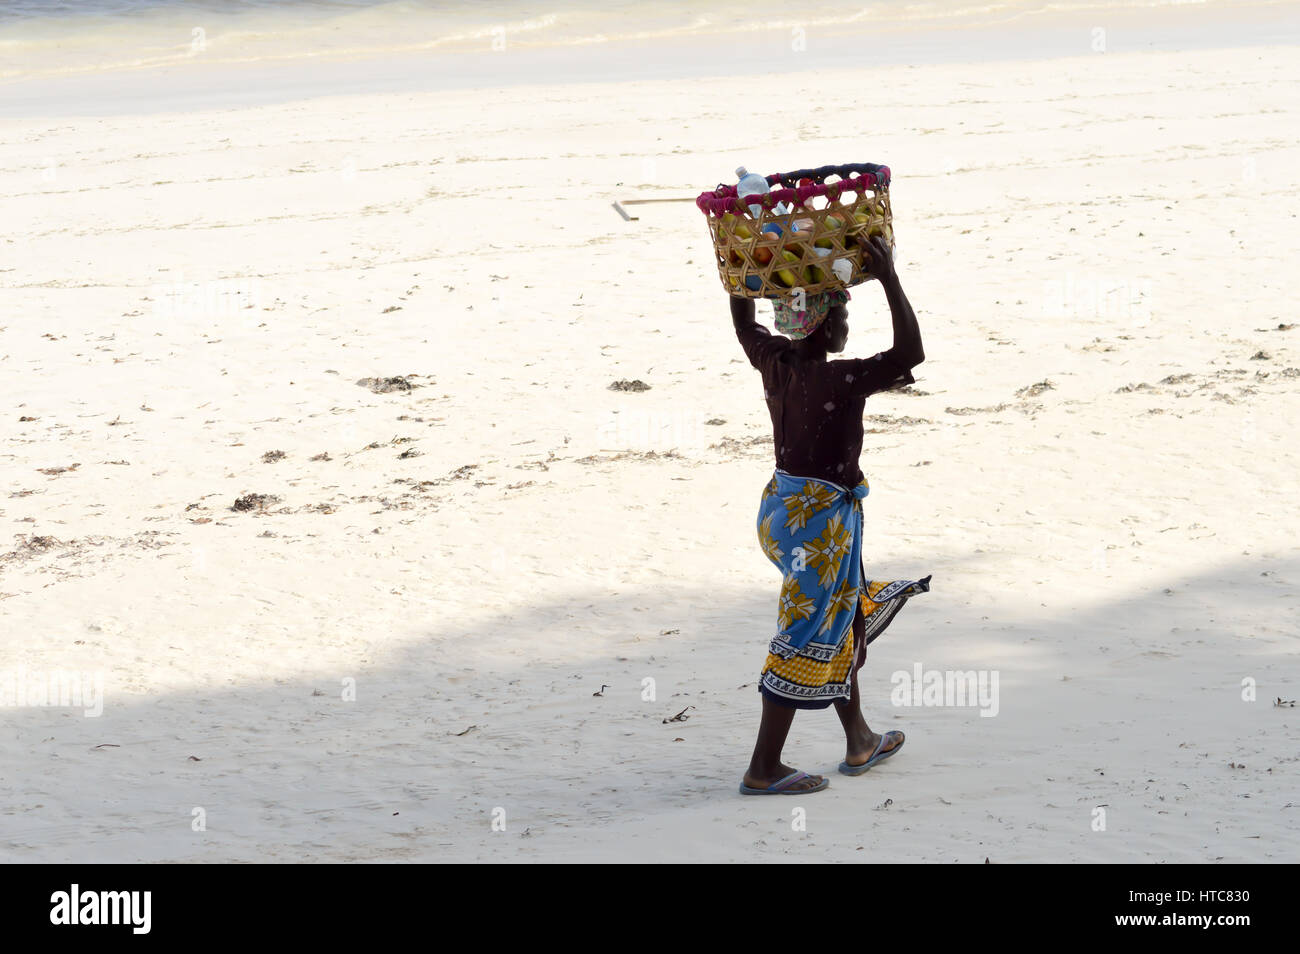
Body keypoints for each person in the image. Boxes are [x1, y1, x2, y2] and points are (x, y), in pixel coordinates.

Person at [732, 233, 932, 795]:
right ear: (821, 324)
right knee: (803, 632)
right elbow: (908, 354)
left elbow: (745, 324)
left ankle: (860, 739)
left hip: (783, 514)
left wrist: (744, 275)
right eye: (842, 312)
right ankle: (763, 768)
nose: (847, 325)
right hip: (819, 529)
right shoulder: (838, 380)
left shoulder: (775, 361)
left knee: (840, 618)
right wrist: (889, 276)